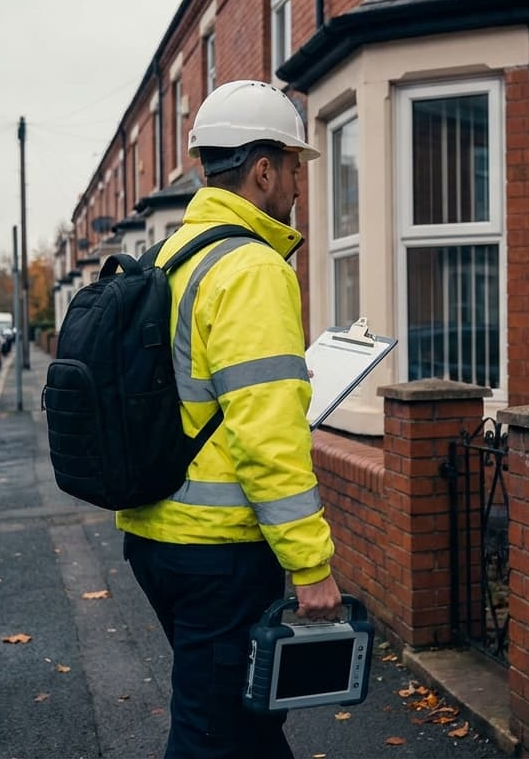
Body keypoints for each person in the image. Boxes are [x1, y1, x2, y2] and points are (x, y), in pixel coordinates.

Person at [117, 80, 343, 759]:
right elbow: (267, 435)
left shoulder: (167, 257)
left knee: (246, 723)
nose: (301, 183)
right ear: (263, 169)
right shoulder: (250, 267)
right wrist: (311, 565)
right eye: (295, 165)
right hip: (218, 553)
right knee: (213, 734)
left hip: (151, 534)